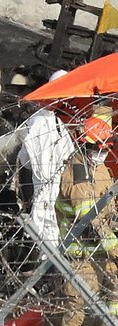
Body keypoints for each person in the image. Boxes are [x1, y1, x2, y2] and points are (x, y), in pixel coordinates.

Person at [56, 112, 118, 326]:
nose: (102, 153)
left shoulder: (100, 168)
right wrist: (114, 247)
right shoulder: (77, 174)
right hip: (81, 254)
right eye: (97, 148)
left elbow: (108, 204)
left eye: (105, 148)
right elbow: (89, 216)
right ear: (84, 146)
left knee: (115, 301)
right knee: (77, 308)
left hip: (105, 252)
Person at [19, 70, 76, 248]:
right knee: (43, 230)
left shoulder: (54, 122)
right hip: (43, 186)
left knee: (48, 229)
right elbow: (27, 159)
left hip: (50, 187)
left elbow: (24, 158)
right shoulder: (42, 122)